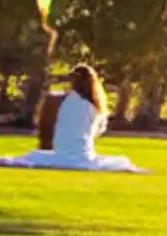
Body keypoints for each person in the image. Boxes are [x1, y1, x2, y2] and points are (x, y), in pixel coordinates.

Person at [9, 65, 138, 171]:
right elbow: (98, 131)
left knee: (31, 157)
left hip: (61, 154)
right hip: (84, 155)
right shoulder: (96, 107)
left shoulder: (61, 100)